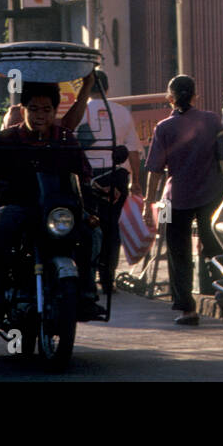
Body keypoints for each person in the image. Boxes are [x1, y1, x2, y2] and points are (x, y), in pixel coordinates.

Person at [0, 82, 99, 322]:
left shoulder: (66, 139)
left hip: (59, 212)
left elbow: (84, 175)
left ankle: (86, 293)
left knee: (93, 233)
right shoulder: (5, 139)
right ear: (23, 110)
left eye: (46, 110)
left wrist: (95, 189)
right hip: (19, 208)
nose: (40, 116)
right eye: (34, 109)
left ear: (55, 112)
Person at [142, 75, 223, 326]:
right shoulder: (212, 121)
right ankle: (220, 290)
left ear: (170, 99)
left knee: (176, 250)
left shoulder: (164, 128)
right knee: (213, 246)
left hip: (171, 199)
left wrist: (149, 203)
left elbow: (155, 170)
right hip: (211, 194)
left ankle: (187, 309)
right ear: (195, 96)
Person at [75, 70, 143, 293]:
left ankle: (87, 277)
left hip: (86, 177)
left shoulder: (78, 112)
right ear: (107, 89)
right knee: (111, 227)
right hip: (116, 176)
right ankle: (107, 279)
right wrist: (136, 181)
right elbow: (133, 150)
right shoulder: (122, 112)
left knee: (87, 225)